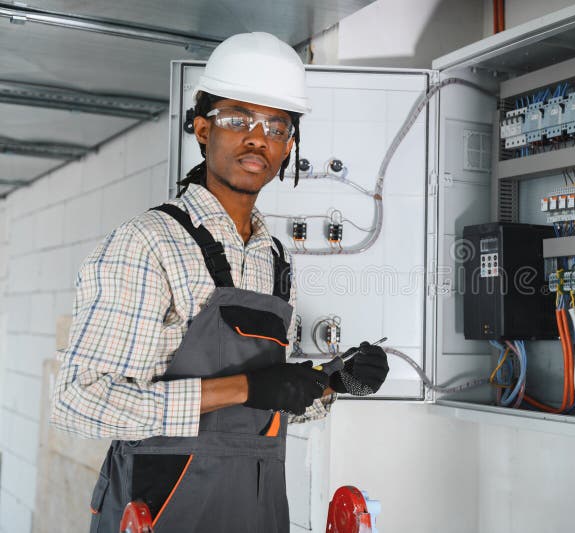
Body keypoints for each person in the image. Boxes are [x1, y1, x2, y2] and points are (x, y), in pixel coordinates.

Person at [49, 32, 389, 533]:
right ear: (203, 129)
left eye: (276, 125)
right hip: (162, 511)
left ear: (289, 145)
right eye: (238, 119)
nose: (258, 137)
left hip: (259, 509)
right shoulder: (148, 243)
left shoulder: (274, 258)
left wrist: (332, 382)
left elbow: (256, 412)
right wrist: (245, 387)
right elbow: (79, 403)